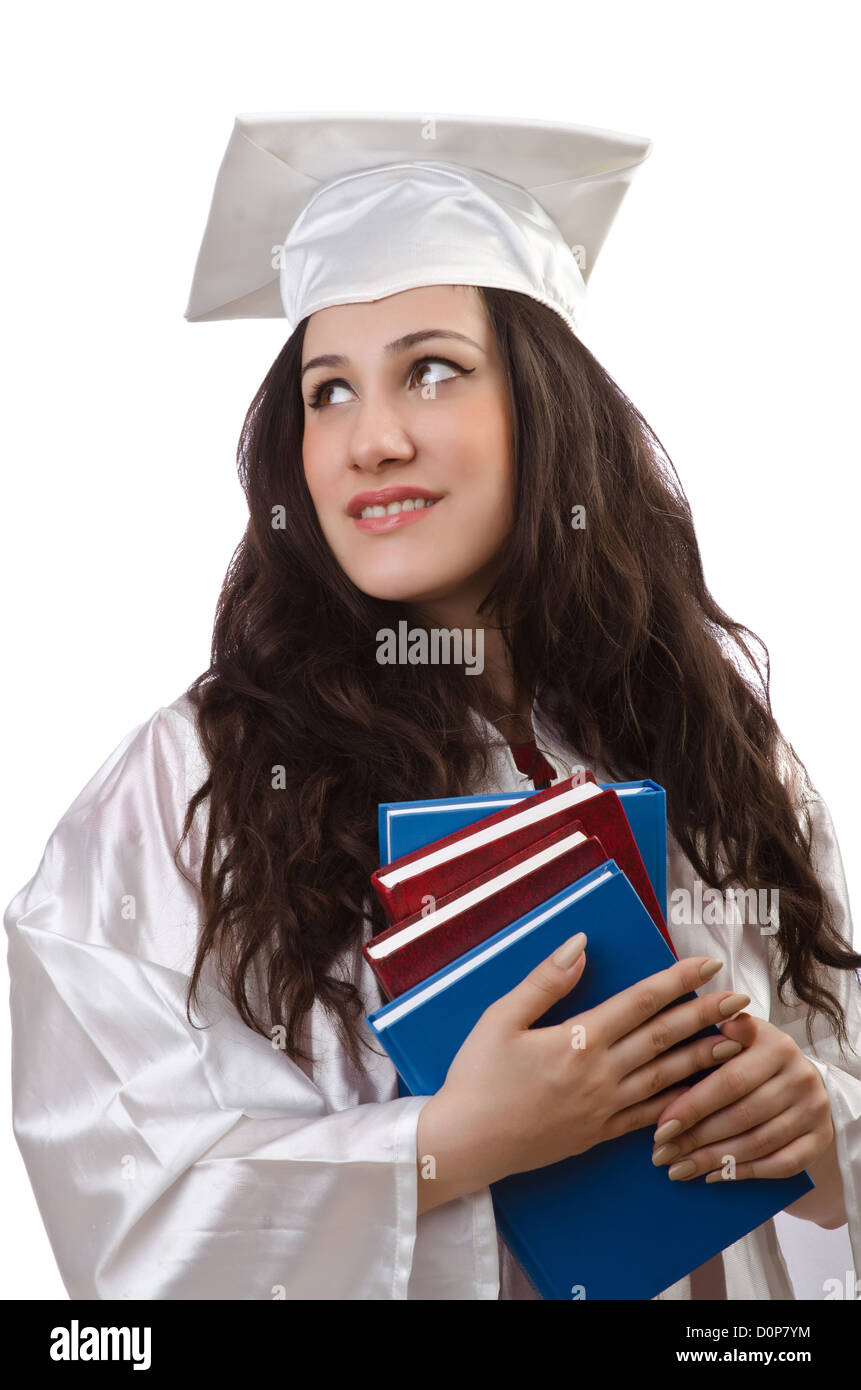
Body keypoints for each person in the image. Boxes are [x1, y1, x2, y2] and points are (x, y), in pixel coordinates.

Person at [5, 112, 860, 1301]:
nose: (373, 438)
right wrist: (447, 1146)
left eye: (432, 369)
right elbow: (125, 1204)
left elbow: (835, 1070)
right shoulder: (189, 785)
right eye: (328, 391)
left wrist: (819, 1147)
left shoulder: (720, 750)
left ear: (546, 408)